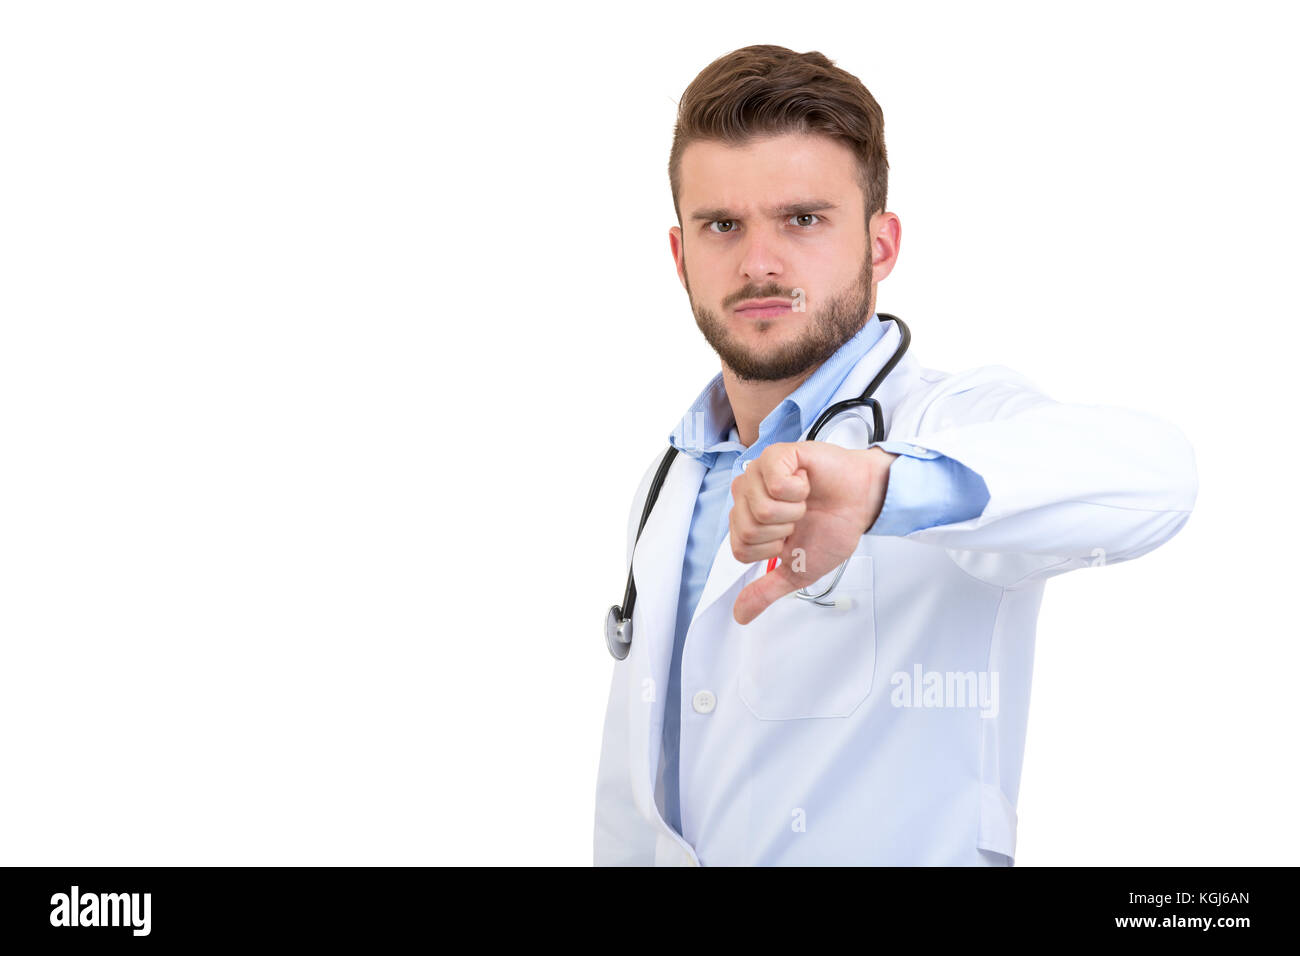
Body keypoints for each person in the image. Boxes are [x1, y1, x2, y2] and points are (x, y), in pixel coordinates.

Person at [593, 44, 1198, 866]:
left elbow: (1155, 477)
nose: (760, 262)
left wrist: (885, 489)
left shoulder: (949, 422)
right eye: (721, 225)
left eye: (803, 219)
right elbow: (636, 804)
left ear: (881, 246)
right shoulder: (669, 482)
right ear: (679, 256)